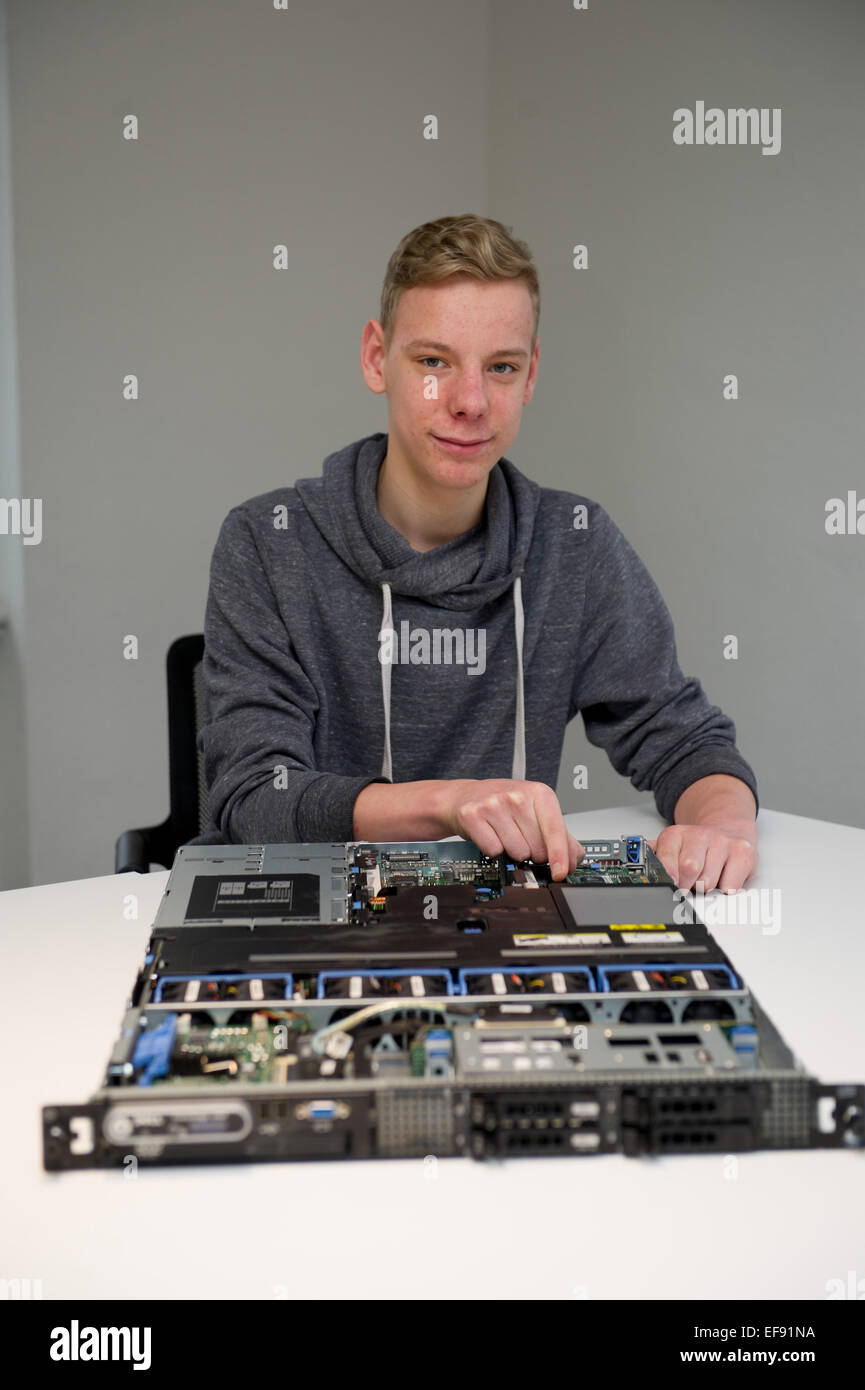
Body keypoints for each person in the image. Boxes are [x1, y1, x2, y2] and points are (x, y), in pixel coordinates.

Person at [191, 213, 759, 894]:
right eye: (433, 361)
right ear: (377, 359)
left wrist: (723, 823)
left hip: (490, 909)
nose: (469, 401)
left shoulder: (573, 543)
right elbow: (252, 798)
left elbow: (685, 741)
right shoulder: (267, 541)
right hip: (301, 901)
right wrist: (446, 803)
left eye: (500, 367)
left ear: (531, 375)